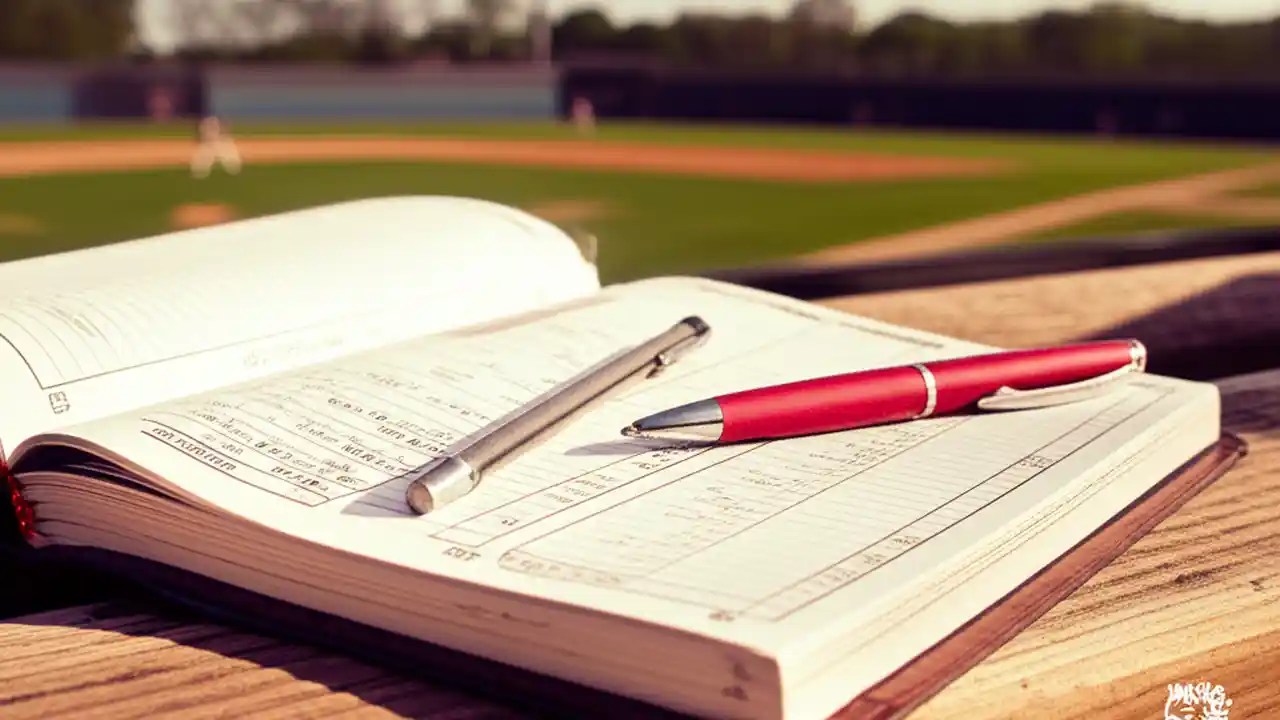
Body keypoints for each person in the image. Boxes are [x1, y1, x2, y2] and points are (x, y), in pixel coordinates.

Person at [190, 115, 242, 179]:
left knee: (232, 163)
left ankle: (200, 171)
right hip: (214, 143)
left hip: (216, 143)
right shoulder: (207, 124)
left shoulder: (205, 124)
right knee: (202, 164)